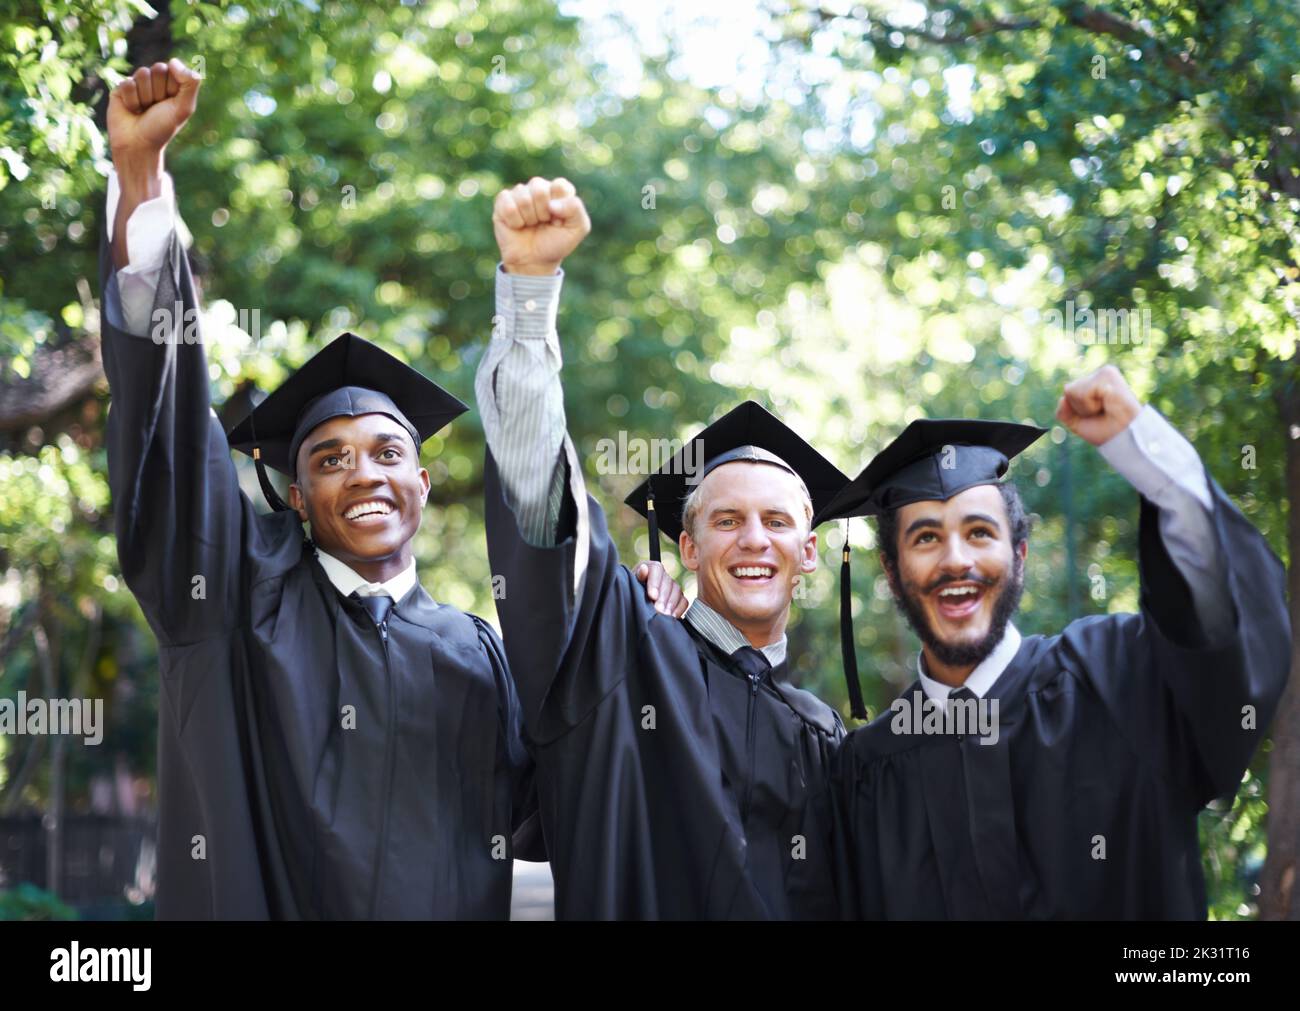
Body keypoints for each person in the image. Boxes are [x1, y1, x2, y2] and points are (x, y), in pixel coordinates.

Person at [101, 59, 677, 918]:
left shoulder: (477, 653)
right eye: (327, 459)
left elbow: (566, 787)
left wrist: (638, 645)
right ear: (294, 497)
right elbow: (168, 438)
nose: (362, 472)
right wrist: (142, 179)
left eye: (384, 452)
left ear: (422, 478)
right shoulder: (230, 600)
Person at [475, 176, 852, 918]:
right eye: (726, 520)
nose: (753, 540)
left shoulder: (821, 728)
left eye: (777, 523)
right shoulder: (626, 654)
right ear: (685, 543)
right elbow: (542, 503)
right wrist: (528, 289)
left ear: (808, 552)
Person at [822, 366, 1292, 919]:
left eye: (980, 532)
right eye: (926, 538)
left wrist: (1141, 447)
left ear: (1018, 556)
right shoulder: (867, 771)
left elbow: (1218, 621)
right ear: (893, 571)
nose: (956, 560)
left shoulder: (1120, 679)